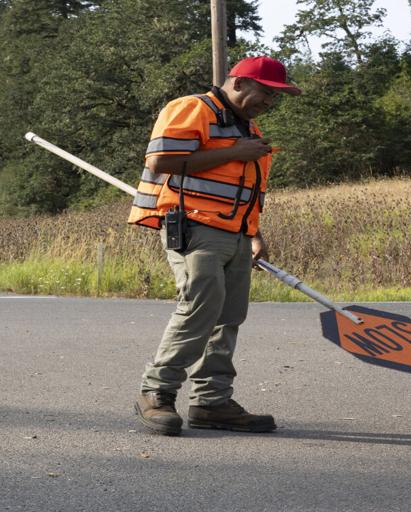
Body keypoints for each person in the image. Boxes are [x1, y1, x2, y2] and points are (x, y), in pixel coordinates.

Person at [129, 56, 301, 436]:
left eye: (276, 96)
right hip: (194, 227)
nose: (270, 102)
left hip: (236, 233)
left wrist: (254, 233)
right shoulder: (193, 108)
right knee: (201, 306)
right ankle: (156, 391)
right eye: (267, 92)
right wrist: (235, 152)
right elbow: (161, 160)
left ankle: (212, 402)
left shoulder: (247, 126)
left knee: (228, 316)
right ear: (239, 83)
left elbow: (248, 189)